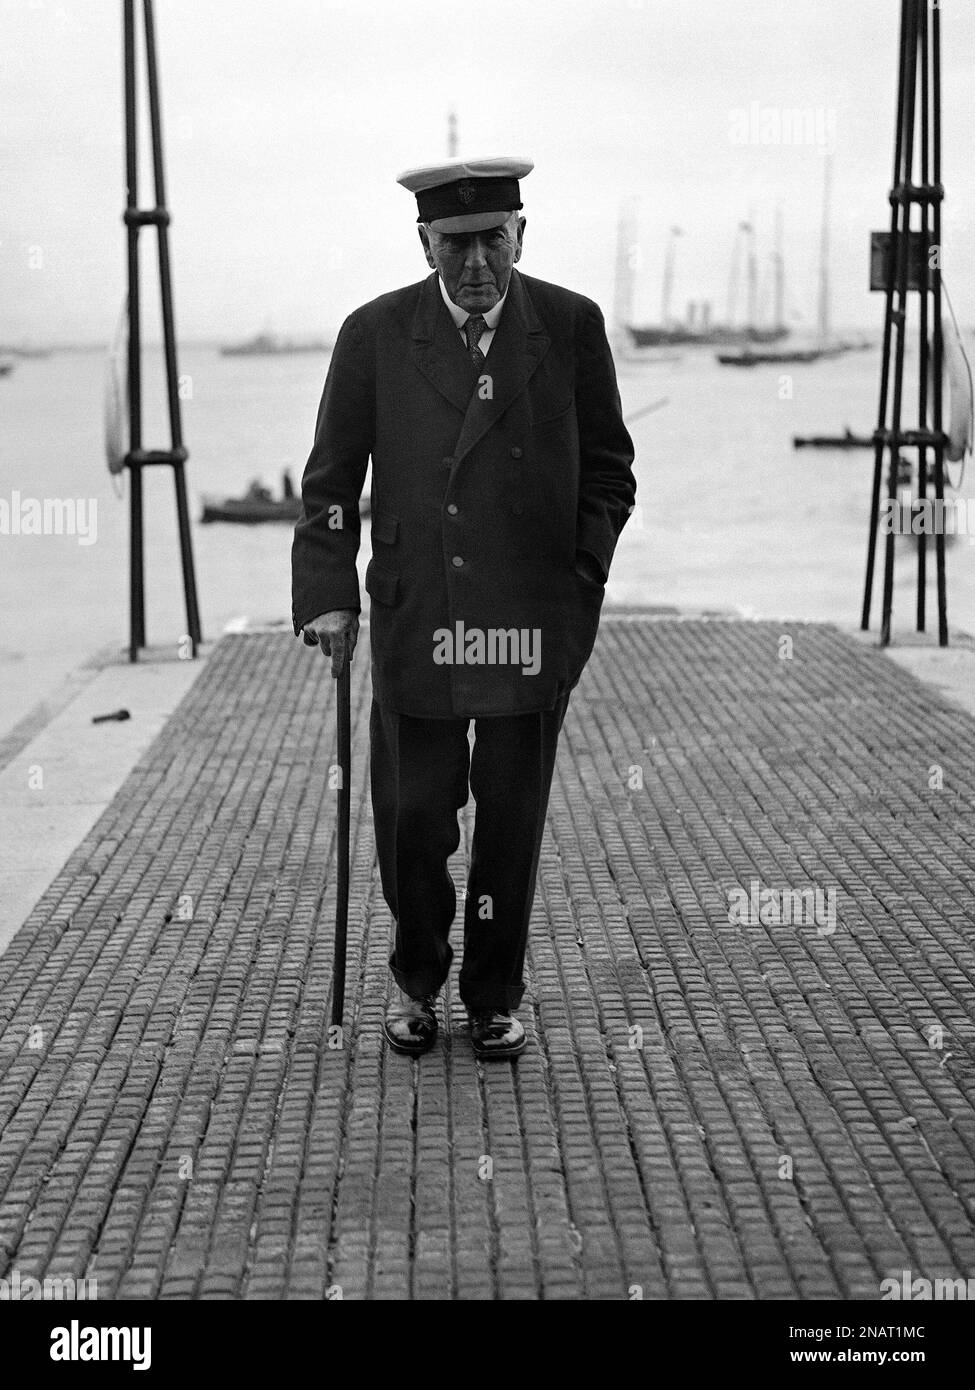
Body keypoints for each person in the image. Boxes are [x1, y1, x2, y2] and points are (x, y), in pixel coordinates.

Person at [292, 155, 635, 1059]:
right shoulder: (373, 335)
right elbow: (331, 483)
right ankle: (414, 980)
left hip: (528, 620)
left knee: (510, 820)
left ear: (522, 234)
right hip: (420, 616)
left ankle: (491, 994)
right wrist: (328, 595)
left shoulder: (568, 326)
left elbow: (610, 469)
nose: (476, 262)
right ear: (424, 242)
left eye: (492, 239)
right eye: (455, 243)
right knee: (414, 817)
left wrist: (579, 580)